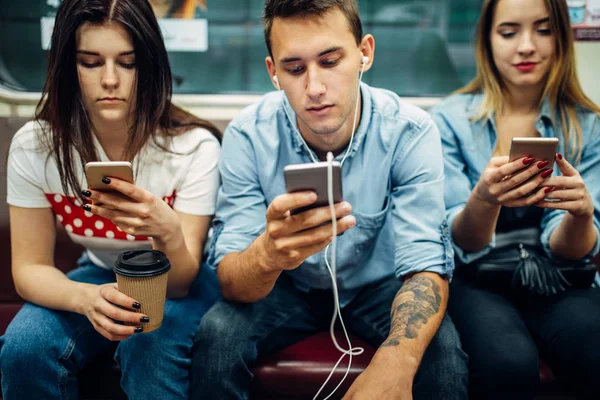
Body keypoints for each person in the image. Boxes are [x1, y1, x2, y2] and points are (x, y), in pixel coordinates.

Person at [190, 1, 468, 399]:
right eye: (295, 69)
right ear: (273, 72)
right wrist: (269, 253)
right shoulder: (248, 136)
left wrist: (398, 360)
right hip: (286, 286)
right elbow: (232, 282)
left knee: (440, 356)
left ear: (364, 53)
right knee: (217, 339)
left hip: (378, 285)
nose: (315, 88)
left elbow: (426, 265)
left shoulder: (409, 131)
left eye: (330, 61)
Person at [0, 0, 221, 399]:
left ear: (149, 64)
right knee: (24, 349)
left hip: (176, 281)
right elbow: (29, 267)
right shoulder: (35, 146)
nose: (110, 80)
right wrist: (85, 298)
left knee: (149, 346)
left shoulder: (192, 147)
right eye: (90, 62)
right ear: (69, 65)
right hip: (99, 273)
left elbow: (182, 282)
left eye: (128, 62)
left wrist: (168, 232)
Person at [430, 0, 600, 398]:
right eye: (509, 33)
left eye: (543, 30)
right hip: (477, 278)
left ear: (562, 37)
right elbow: (462, 242)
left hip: (559, 275)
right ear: (487, 42)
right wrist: (485, 200)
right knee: (506, 360)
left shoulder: (588, 125)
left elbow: (575, 253)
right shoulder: (449, 121)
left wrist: (580, 215)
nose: (526, 46)